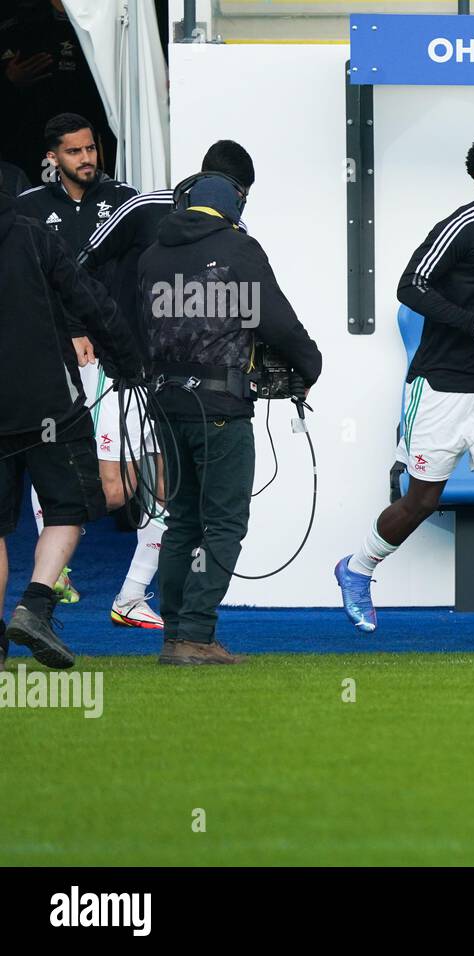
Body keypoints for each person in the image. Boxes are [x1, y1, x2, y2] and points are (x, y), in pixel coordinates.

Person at [334, 130, 474, 654]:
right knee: (421, 499)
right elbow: (410, 287)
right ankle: (356, 567)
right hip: (439, 388)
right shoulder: (462, 224)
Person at [69, 140, 258, 631]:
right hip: (125, 373)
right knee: (116, 490)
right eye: (240, 193)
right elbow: (76, 266)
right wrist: (83, 329)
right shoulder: (143, 207)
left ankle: (131, 596)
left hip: (174, 386)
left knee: (172, 500)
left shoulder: (234, 233)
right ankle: (45, 552)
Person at [139, 174, 322, 665]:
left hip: (166, 405)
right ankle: (197, 635)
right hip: (220, 408)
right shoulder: (239, 249)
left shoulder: (152, 255)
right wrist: (310, 365)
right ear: (233, 206)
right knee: (223, 523)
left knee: (182, 523)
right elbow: (276, 320)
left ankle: (175, 634)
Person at [0, 186, 144, 671]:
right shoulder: (35, 236)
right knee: (68, 507)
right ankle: (36, 605)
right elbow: (93, 302)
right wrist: (126, 362)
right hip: (48, 403)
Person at [17, 112, 141, 616]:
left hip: (116, 356)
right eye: (75, 151)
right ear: (52, 158)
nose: (87, 159)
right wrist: (68, 331)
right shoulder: (28, 210)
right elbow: (27, 285)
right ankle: (56, 573)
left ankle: (64, 546)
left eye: (91, 149)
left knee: (128, 479)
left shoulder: (124, 201)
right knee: (49, 457)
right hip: (56, 358)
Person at [0, 1, 117, 182]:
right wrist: (9, 80)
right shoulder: (13, 25)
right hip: (23, 139)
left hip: (78, 128)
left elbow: (102, 95)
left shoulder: (89, 23)